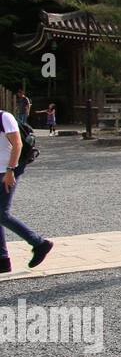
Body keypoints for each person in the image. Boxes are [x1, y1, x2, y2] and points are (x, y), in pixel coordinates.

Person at [1, 107, 54, 274]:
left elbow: (18, 144)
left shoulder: (5, 117)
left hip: (10, 170)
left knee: (2, 213)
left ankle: (39, 243)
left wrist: (10, 170)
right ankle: (2, 260)